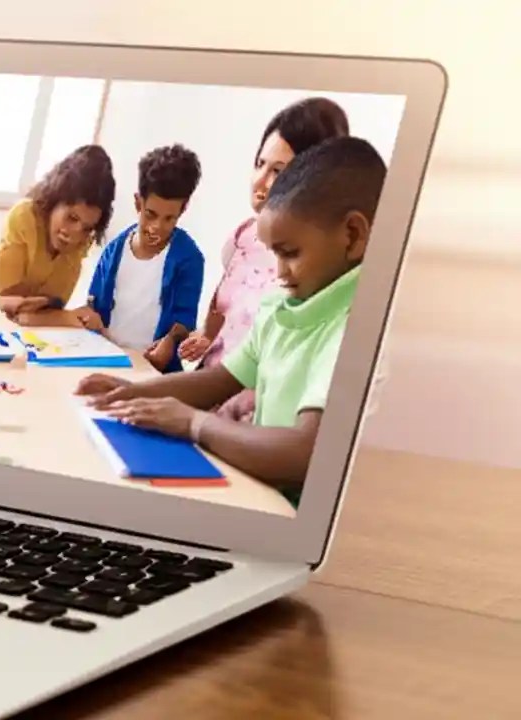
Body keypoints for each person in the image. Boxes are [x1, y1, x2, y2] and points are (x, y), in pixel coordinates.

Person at [74, 137, 386, 508]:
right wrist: (132, 391)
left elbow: (305, 451)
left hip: (293, 518)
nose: (279, 272)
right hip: (255, 493)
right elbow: (219, 381)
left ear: (352, 235)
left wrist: (194, 423)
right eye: (274, 254)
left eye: (291, 254)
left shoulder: (357, 328)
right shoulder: (281, 307)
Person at [178, 97, 350, 418]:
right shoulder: (243, 236)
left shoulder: (321, 267)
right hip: (206, 397)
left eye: (278, 171)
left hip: (250, 420)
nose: (260, 182)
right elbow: (222, 309)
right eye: (260, 164)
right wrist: (206, 337)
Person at [78, 144, 204, 372]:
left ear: (183, 209)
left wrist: (171, 340)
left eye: (169, 218)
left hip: (152, 372)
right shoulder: (114, 250)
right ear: (138, 202)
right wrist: (90, 318)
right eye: (151, 214)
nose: (157, 227)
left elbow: (185, 320)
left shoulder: (189, 259)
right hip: (107, 359)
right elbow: (93, 303)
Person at [0, 145, 116, 326]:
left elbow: (54, 305)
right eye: (71, 218)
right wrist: (66, 317)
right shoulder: (24, 216)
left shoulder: (83, 241)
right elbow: (6, 303)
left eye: (87, 228)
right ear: (55, 199)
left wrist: (49, 312)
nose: (74, 235)